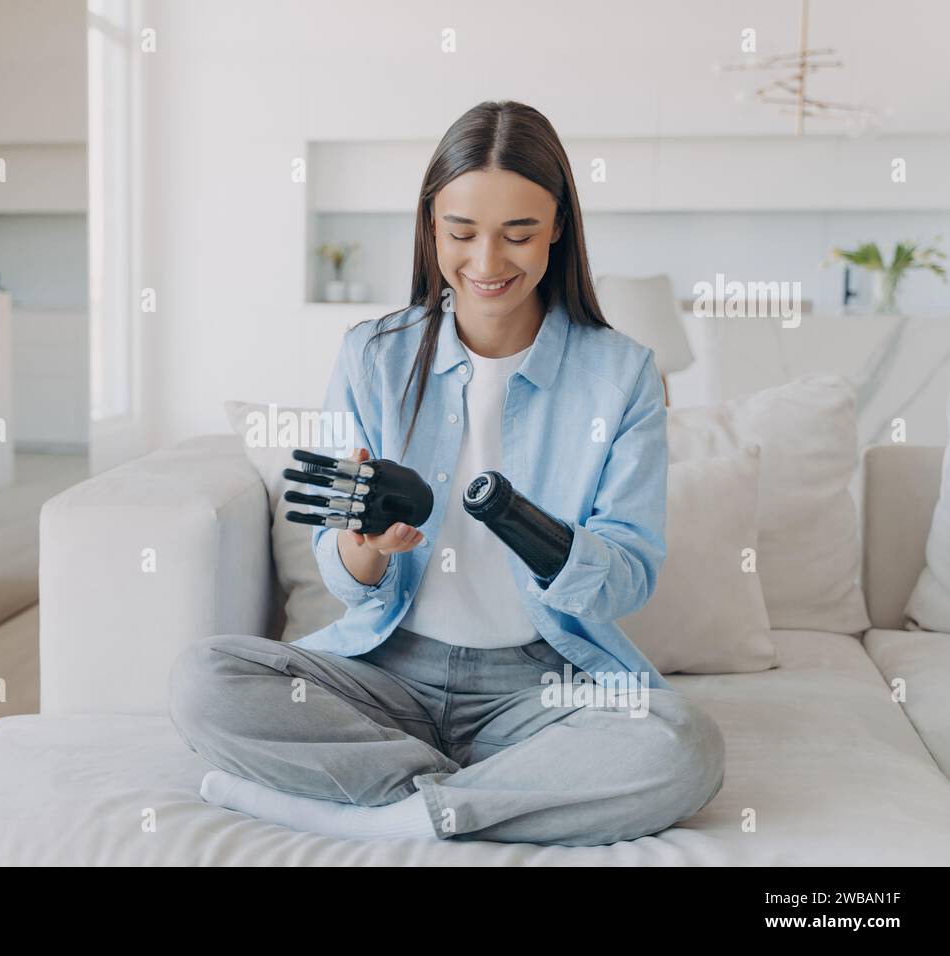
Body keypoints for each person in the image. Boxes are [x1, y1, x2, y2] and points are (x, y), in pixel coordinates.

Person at [167, 100, 725, 845]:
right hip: (386, 673)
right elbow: (341, 572)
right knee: (204, 679)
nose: (488, 263)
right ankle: (469, 800)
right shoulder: (374, 356)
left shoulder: (621, 375)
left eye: (518, 233)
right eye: (462, 232)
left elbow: (629, 575)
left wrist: (544, 538)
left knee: (681, 743)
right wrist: (366, 549)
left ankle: (392, 811)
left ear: (559, 226)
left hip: (540, 684)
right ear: (432, 227)